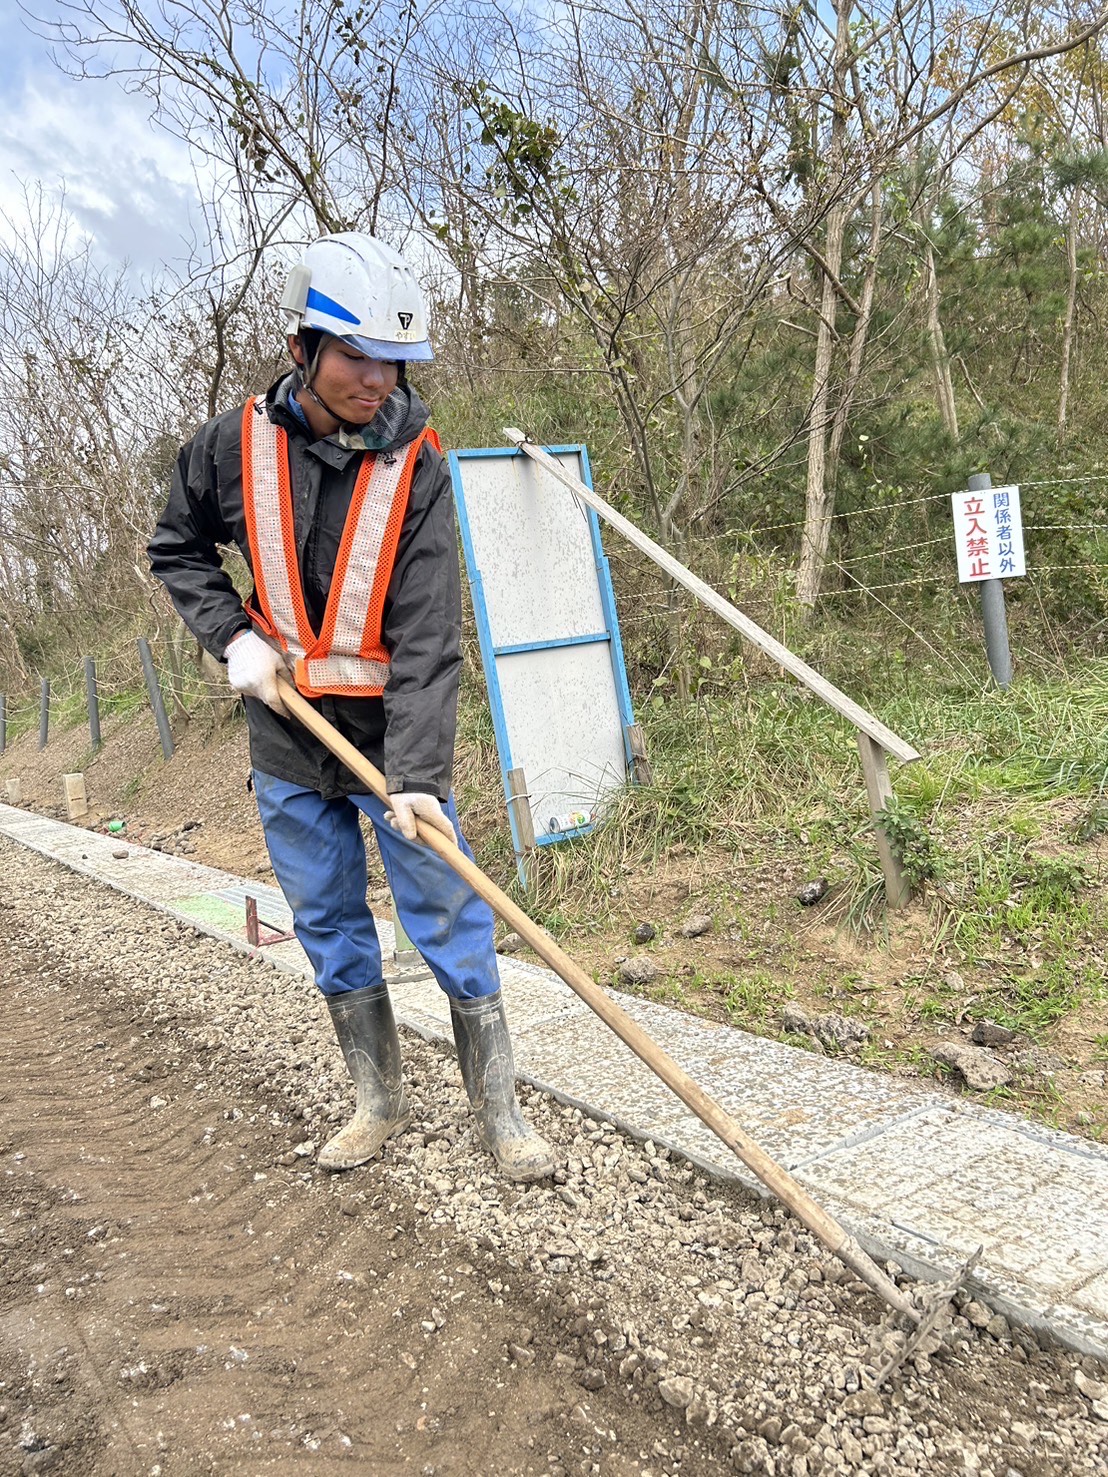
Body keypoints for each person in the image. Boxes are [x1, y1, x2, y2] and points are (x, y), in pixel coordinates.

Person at [148, 230, 554, 1183]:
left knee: (448, 910)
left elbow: (426, 632)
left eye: (395, 362)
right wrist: (234, 639)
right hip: (288, 735)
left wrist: (417, 779)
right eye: (357, 357)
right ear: (304, 350)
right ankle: (377, 1099)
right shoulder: (229, 445)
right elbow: (177, 548)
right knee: (326, 916)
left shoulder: (418, 465)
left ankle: (499, 1112)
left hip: (389, 740)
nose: (378, 380)